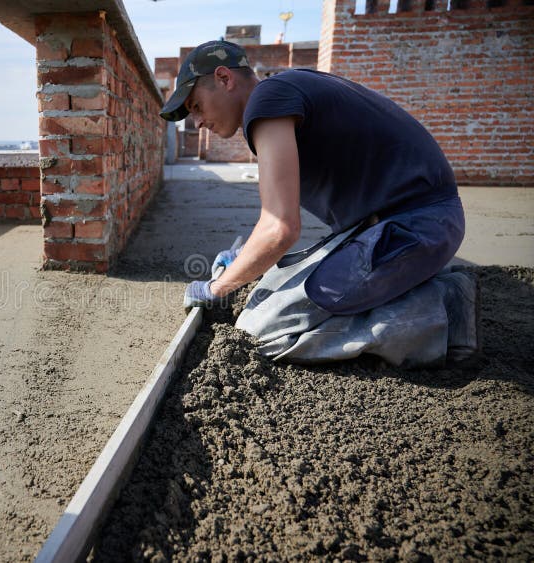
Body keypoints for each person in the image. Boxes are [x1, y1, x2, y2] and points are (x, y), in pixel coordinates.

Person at [160, 40, 479, 367]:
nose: (196, 122)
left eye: (197, 105)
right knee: (267, 289)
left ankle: (441, 311)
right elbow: (275, 215)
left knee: (261, 331)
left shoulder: (267, 101)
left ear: (225, 78)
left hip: (416, 226)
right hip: (394, 225)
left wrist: (215, 288)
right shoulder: (278, 93)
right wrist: (243, 257)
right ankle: (408, 284)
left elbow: (280, 229)